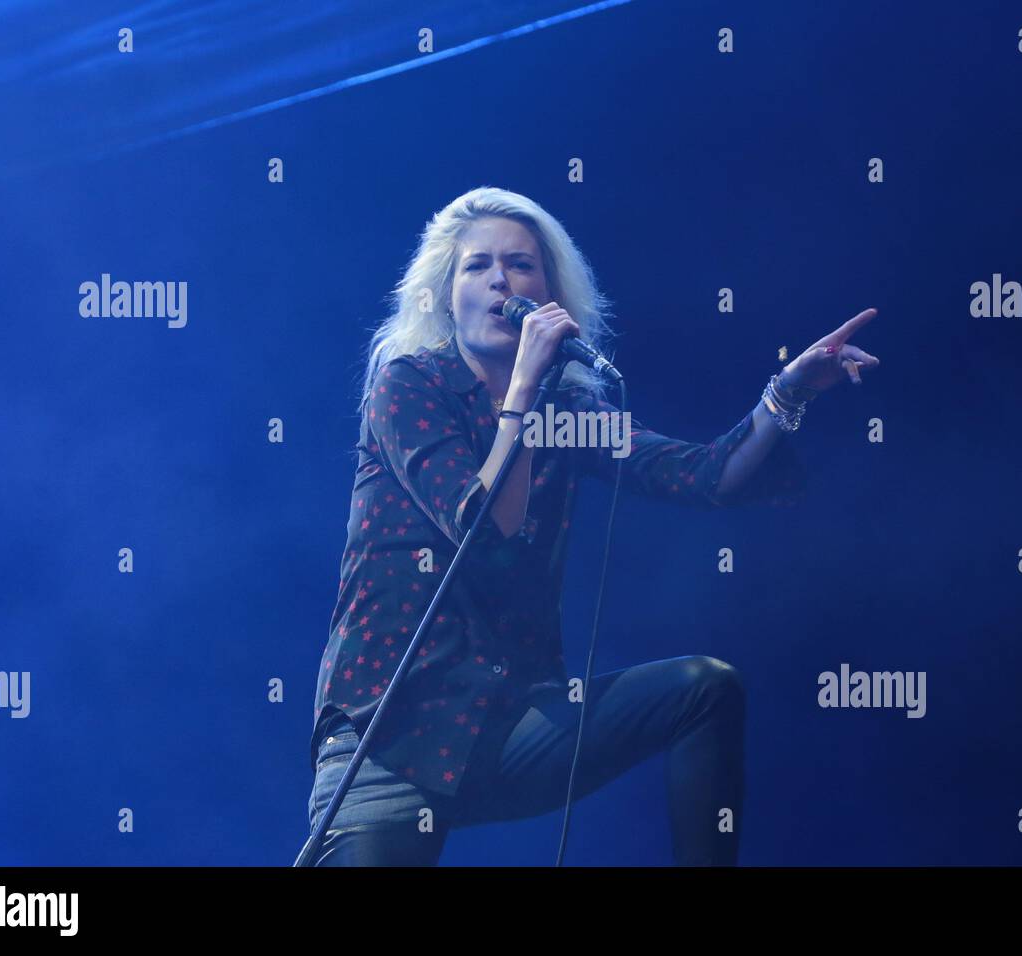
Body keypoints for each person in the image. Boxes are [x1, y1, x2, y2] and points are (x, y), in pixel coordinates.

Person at [305, 186, 880, 866]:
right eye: (477, 265)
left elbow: (703, 475)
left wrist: (787, 394)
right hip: (396, 732)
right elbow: (483, 525)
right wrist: (520, 390)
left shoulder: (568, 413)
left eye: (521, 265)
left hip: (509, 720)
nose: (501, 280)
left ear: (550, 294)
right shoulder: (407, 386)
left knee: (705, 687)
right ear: (442, 294)